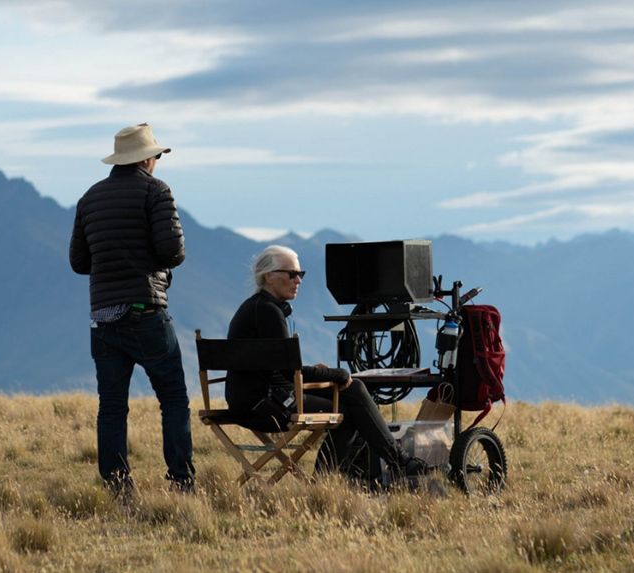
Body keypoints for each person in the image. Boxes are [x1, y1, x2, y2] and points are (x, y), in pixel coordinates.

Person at [225, 245, 427, 480]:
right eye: (291, 274)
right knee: (348, 405)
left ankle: (395, 463)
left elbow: (280, 367)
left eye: (301, 274)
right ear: (269, 277)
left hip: (253, 400)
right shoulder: (268, 312)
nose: (298, 280)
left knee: (352, 395)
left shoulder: (256, 307)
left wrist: (327, 374)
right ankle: (389, 465)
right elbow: (290, 371)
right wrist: (336, 374)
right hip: (265, 405)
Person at [69, 123, 194, 496]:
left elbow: (79, 262)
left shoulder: (89, 199)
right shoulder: (156, 192)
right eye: (156, 155)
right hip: (146, 311)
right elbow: (173, 251)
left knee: (111, 406)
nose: (157, 161)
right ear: (146, 159)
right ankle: (181, 482)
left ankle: (118, 487)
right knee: (172, 399)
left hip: (103, 317)